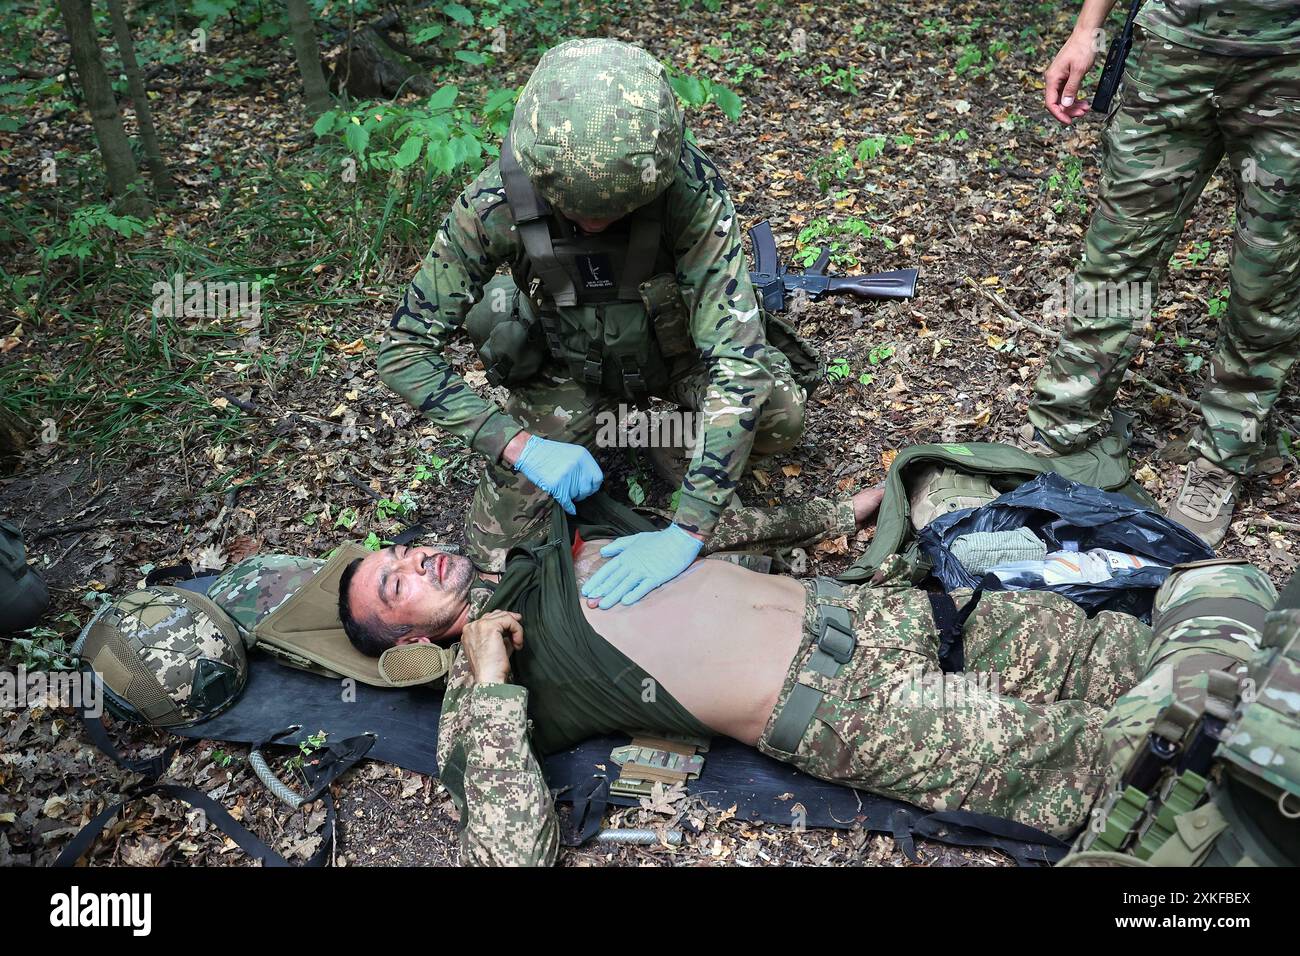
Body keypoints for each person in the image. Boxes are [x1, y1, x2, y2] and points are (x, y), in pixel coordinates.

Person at [336, 484, 1281, 866]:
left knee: (1116, 649)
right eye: (396, 584)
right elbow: (509, 852)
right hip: (851, 707)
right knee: (1131, 765)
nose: (418, 561)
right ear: (400, 644)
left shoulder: (545, 551)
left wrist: (841, 510)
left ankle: (1253, 701)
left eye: (409, 551)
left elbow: (699, 540)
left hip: (886, 615)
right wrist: (491, 676)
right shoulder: (477, 688)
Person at [378, 37, 810, 607]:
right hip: (571, 370)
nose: (599, 224)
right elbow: (404, 349)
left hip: (676, 358)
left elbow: (738, 359)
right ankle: (638, 429)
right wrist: (520, 447)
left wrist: (688, 530)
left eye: (619, 211)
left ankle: (660, 432)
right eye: (578, 211)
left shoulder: (690, 195)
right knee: (494, 556)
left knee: (779, 419)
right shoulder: (493, 206)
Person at [1028, 0, 1300, 546]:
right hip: (1172, 53)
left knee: (1266, 281)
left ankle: (1224, 454)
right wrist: (1086, 30)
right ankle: (1060, 430)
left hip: (1287, 66)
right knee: (1114, 259)